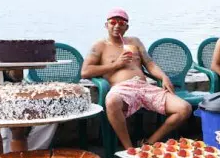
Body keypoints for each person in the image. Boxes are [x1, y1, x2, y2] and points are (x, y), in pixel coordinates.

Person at [81, 8, 191, 149]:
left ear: (126, 27)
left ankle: (149, 144)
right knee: (111, 101)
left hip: (144, 87)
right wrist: (116, 64)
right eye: (113, 22)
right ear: (106, 25)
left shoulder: (135, 42)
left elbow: (150, 64)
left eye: (121, 23)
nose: (117, 26)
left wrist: (164, 77)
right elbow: (85, 71)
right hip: (122, 89)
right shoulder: (100, 46)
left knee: (184, 108)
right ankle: (129, 149)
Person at [0, 10, 57, 153]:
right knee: (4, 123)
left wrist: (17, 66)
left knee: (50, 112)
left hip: (2, 94)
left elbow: (14, 77)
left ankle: (29, 154)